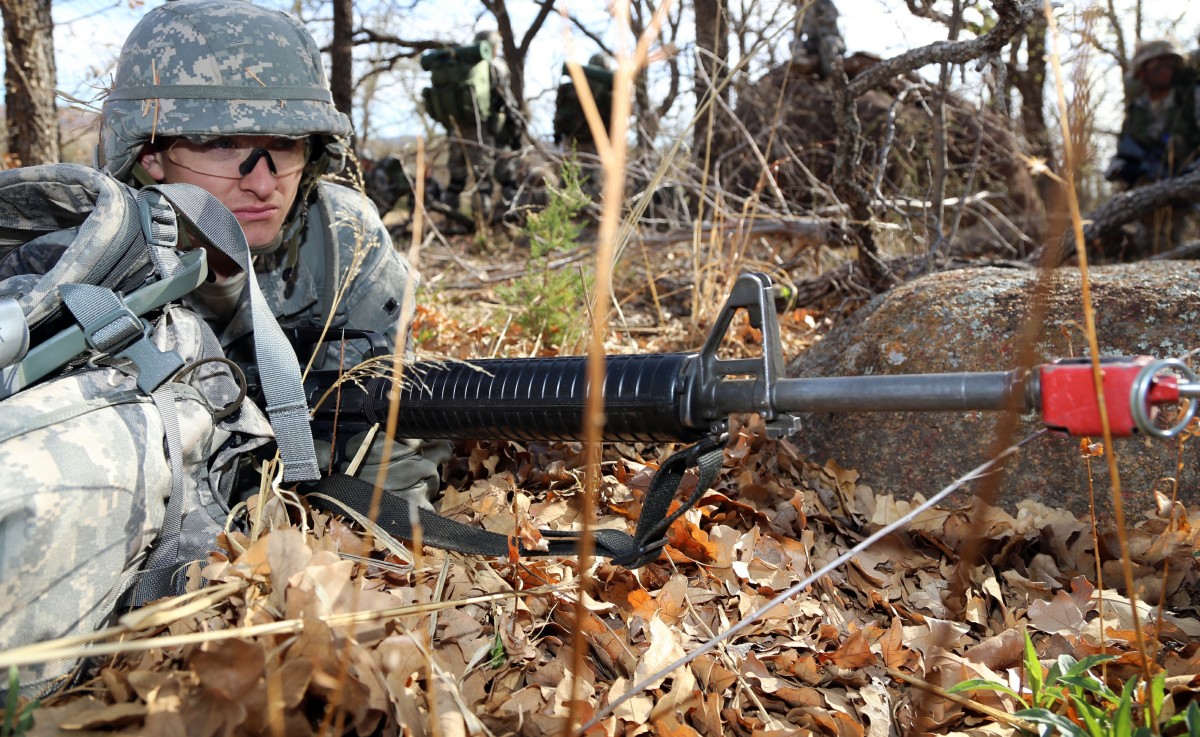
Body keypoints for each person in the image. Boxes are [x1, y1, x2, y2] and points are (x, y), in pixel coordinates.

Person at [0, 0, 448, 695]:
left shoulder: (341, 238)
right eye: (221, 144)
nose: (263, 179)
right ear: (150, 155)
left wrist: (373, 562)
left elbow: (384, 428)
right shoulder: (87, 259)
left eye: (286, 144)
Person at [1105, 38, 1200, 253]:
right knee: (1149, 245)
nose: (1165, 72)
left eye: (1169, 65)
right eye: (1157, 67)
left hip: (1188, 184)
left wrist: (1192, 175)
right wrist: (1121, 169)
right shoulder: (1137, 110)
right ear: (1142, 73)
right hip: (1147, 191)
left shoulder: (1190, 98)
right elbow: (1124, 151)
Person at [422, 30, 524, 222]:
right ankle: (483, 226)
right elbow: (507, 100)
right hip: (483, 130)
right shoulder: (495, 66)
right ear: (492, 46)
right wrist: (515, 128)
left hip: (456, 129)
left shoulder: (458, 64)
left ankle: (450, 221)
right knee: (483, 180)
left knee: (456, 179)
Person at [553, 53, 615, 195]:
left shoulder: (569, 87)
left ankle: (562, 212)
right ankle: (585, 214)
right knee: (591, 185)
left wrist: (557, 134)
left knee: (567, 180)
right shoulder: (607, 93)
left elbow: (559, 115)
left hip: (570, 142)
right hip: (594, 144)